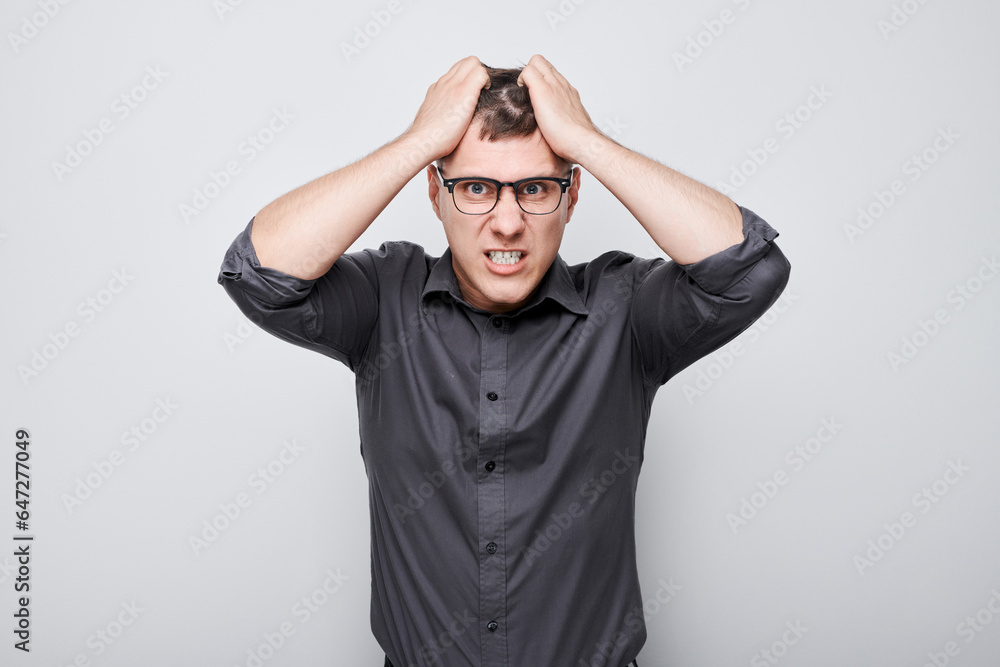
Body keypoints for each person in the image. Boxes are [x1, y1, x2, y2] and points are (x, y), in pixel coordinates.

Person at [218, 54, 790, 667]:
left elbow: (750, 272)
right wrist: (419, 142)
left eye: (536, 189)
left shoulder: (625, 310)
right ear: (437, 194)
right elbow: (257, 274)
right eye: (476, 188)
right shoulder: (383, 299)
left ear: (571, 200)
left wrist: (586, 142)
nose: (508, 223)